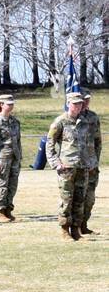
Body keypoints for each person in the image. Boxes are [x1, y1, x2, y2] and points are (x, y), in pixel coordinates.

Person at [47, 91, 96, 240]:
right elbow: (50, 144)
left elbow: (90, 144)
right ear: (68, 104)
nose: (78, 106)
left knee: (80, 199)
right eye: (75, 104)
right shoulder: (60, 122)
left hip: (83, 166)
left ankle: (76, 229)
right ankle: (64, 230)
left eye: (80, 103)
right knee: (66, 199)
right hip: (67, 167)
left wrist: (92, 161)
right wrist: (56, 163)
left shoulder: (85, 122)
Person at [0, 95, 21, 223]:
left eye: (12, 104)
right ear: (1, 104)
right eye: (8, 104)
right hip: (3, 158)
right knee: (2, 185)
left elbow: (18, 141)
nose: (11, 106)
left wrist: (19, 157)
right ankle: (0, 211)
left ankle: (8, 210)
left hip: (15, 157)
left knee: (12, 185)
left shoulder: (15, 121)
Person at [81, 91, 100, 235]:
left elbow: (98, 141)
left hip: (92, 164)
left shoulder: (93, 117)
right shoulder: (70, 118)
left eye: (88, 99)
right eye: (84, 99)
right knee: (76, 198)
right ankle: (71, 227)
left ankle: (84, 224)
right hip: (77, 164)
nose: (86, 102)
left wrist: (96, 159)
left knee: (90, 198)